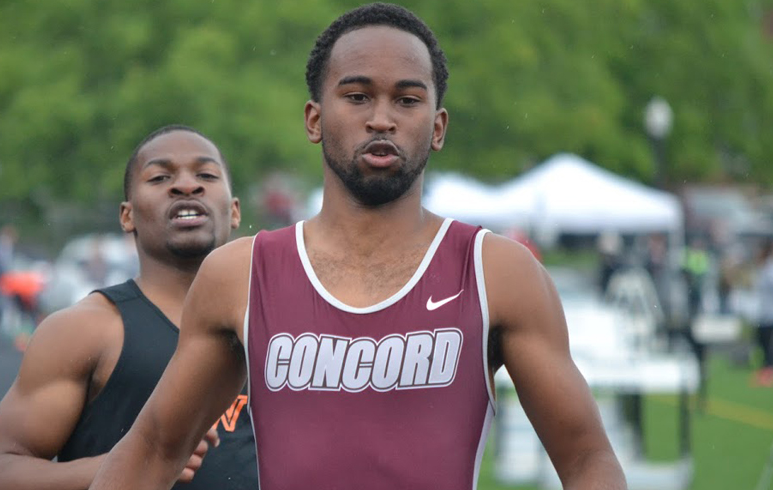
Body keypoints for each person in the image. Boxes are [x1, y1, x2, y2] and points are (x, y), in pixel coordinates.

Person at [91, 4, 626, 490]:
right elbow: (154, 450)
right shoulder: (240, 274)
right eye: (357, 96)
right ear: (314, 119)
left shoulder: (496, 273)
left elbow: (587, 459)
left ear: (438, 127)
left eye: (407, 99)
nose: (382, 119)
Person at [0, 126, 257, 490]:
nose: (186, 185)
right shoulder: (84, 331)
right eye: (160, 177)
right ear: (127, 216)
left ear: (234, 211)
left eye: (206, 175)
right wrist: (135, 462)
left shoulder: (284, 328)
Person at [753, 240, 773, 387]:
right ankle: (766, 371)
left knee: (767, 345)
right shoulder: (764, 268)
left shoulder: (769, 269)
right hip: (764, 314)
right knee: (763, 344)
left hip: (769, 314)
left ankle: (768, 372)